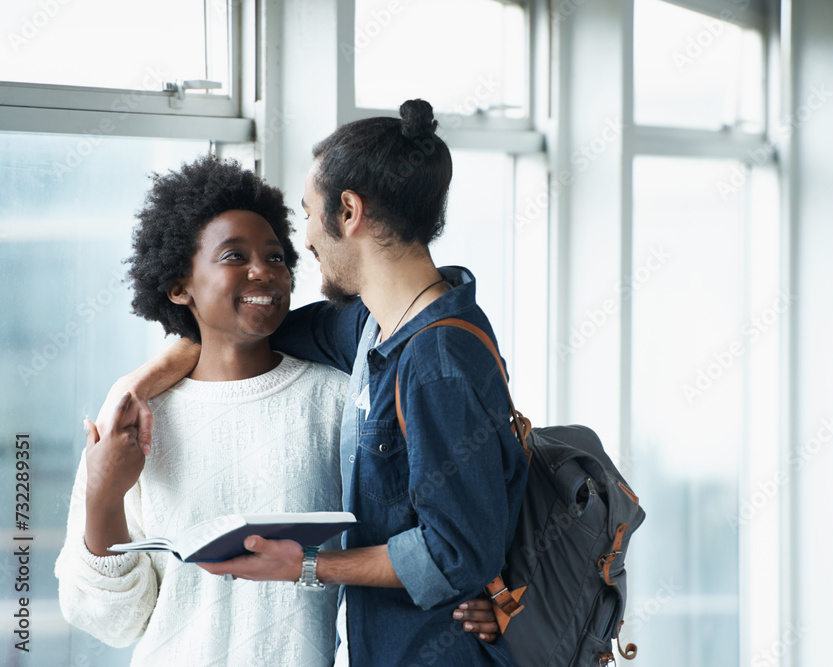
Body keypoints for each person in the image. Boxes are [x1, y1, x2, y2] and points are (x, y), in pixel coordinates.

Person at [94, 100, 529, 665]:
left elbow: (456, 553)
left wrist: (302, 566)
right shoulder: (372, 327)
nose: (303, 243)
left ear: (348, 211)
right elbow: (246, 327)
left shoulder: (436, 358)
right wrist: (136, 384)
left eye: (306, 214)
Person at [54, 155, 347, 665]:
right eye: (234, 256)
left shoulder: (336, 402)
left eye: (276, 257)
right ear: (178, 286)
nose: (263, 270)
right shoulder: (132, 422)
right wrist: (104, 495)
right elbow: (113, 622)